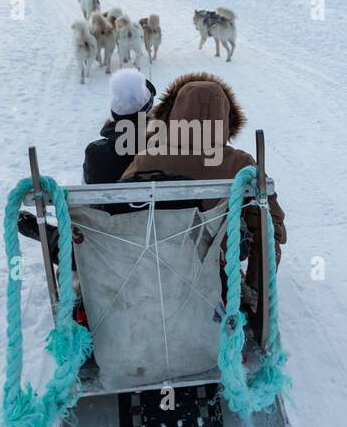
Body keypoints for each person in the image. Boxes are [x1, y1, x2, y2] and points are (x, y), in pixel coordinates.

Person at [120, 72, 285, 312]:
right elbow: (270, 226)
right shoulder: (241, 164)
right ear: (225, 119)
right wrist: (254, 287)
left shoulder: (146, 158)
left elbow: (118, 211)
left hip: (154, 265)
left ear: (175, 114)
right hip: (216, 271)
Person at [17, 67, 157, 247]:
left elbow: (91, 205)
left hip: (109, 245)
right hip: (161, 238)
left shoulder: (96, 153)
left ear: (114, 114)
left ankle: (48, 235)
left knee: (82, 240)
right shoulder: (169, 148)